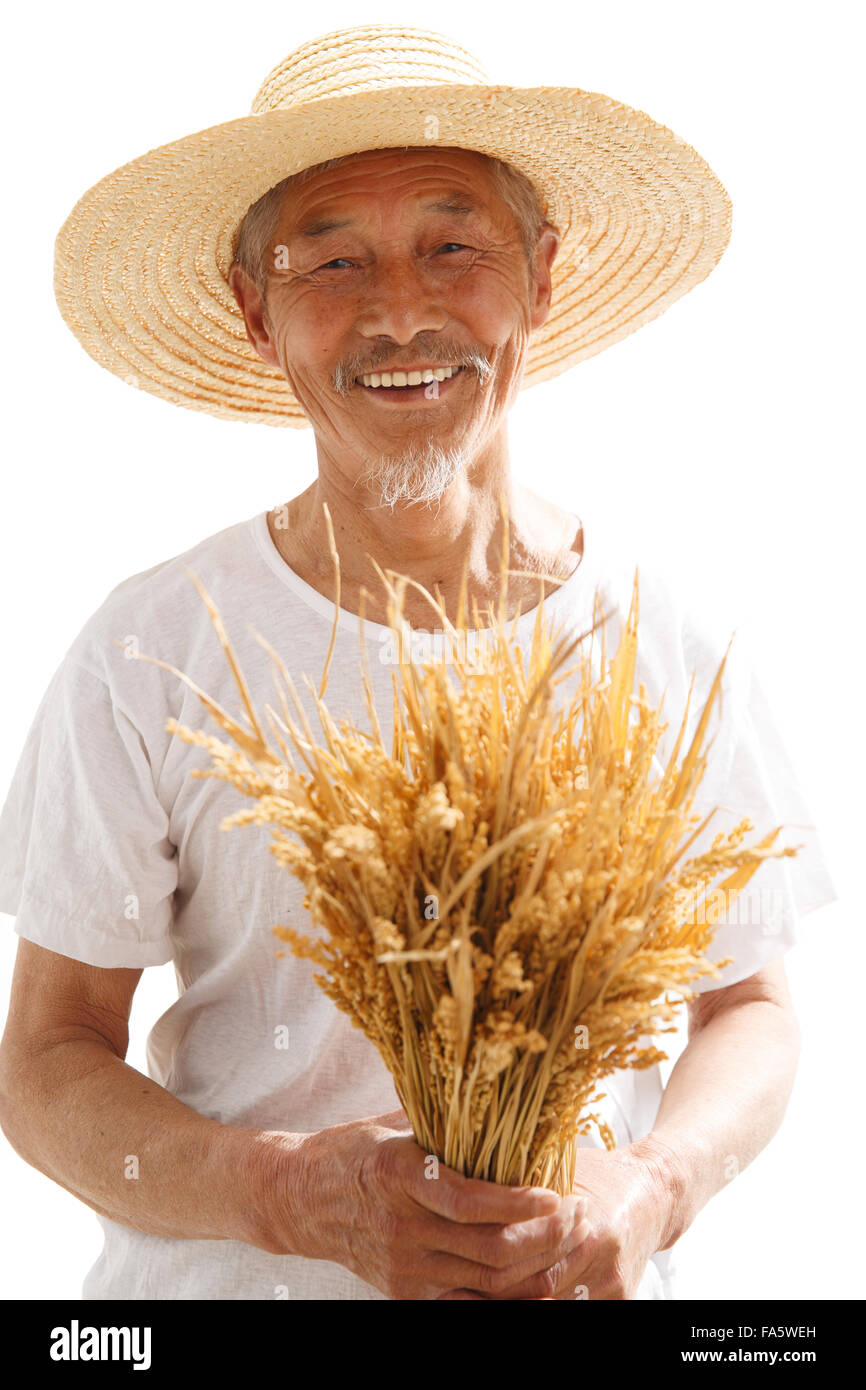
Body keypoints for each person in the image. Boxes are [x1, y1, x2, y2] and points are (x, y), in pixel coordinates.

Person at [0, 25, 836, 1301]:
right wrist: (278, 1194)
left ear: (541, 278)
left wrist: (657, 1182)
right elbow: (47, 1058)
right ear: (254, 310)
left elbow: (751, 1010)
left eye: (455, 246)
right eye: (331, 259)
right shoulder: (149, 650)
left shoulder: (663, 640)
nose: (400, 311)